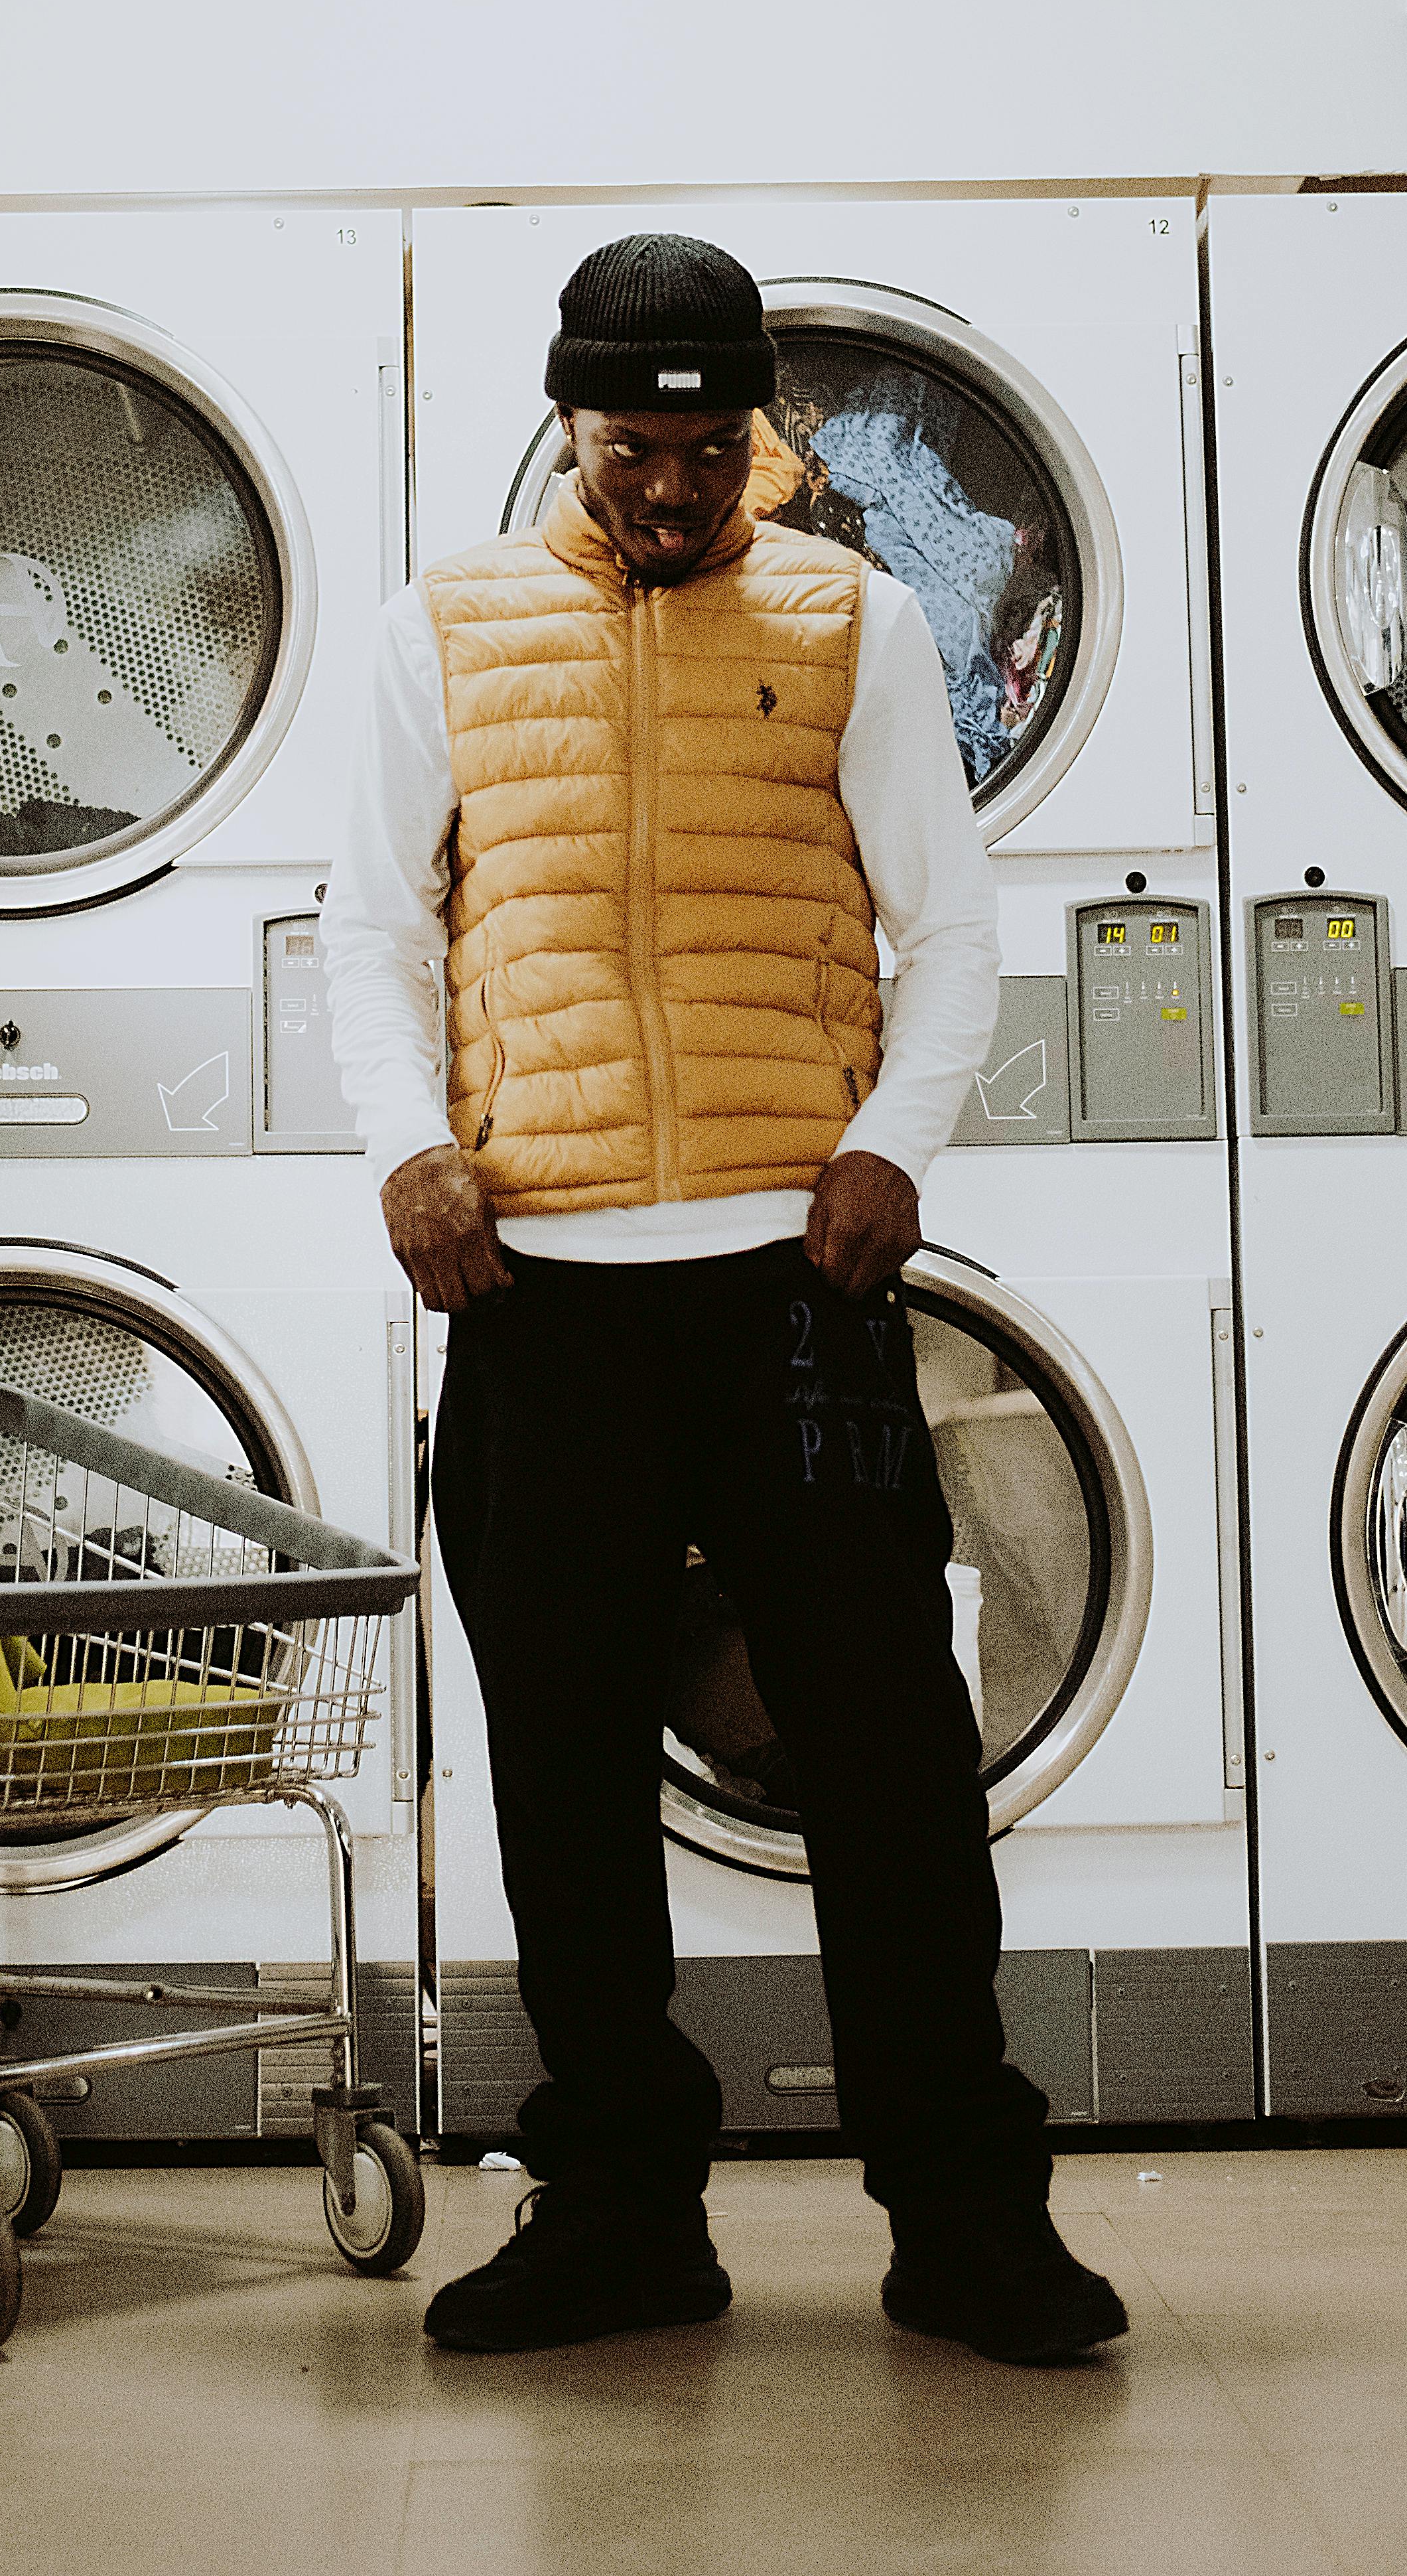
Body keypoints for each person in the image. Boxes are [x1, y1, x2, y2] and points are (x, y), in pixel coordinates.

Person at [322, 232, 1128, 2364]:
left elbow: (946, 928)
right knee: (563, 1773)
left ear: (757, 433)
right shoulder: (450, 629)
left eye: (705, 449)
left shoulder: (853, 619)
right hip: (546, 1288)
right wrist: (412, 1144)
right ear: (569, 427)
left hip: (790, 1276)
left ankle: (967, 2216)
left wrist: (894, 1150)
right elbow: (374, 936)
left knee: (887, 1763)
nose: (671, 491)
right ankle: (620, 2212)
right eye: (629, 447)